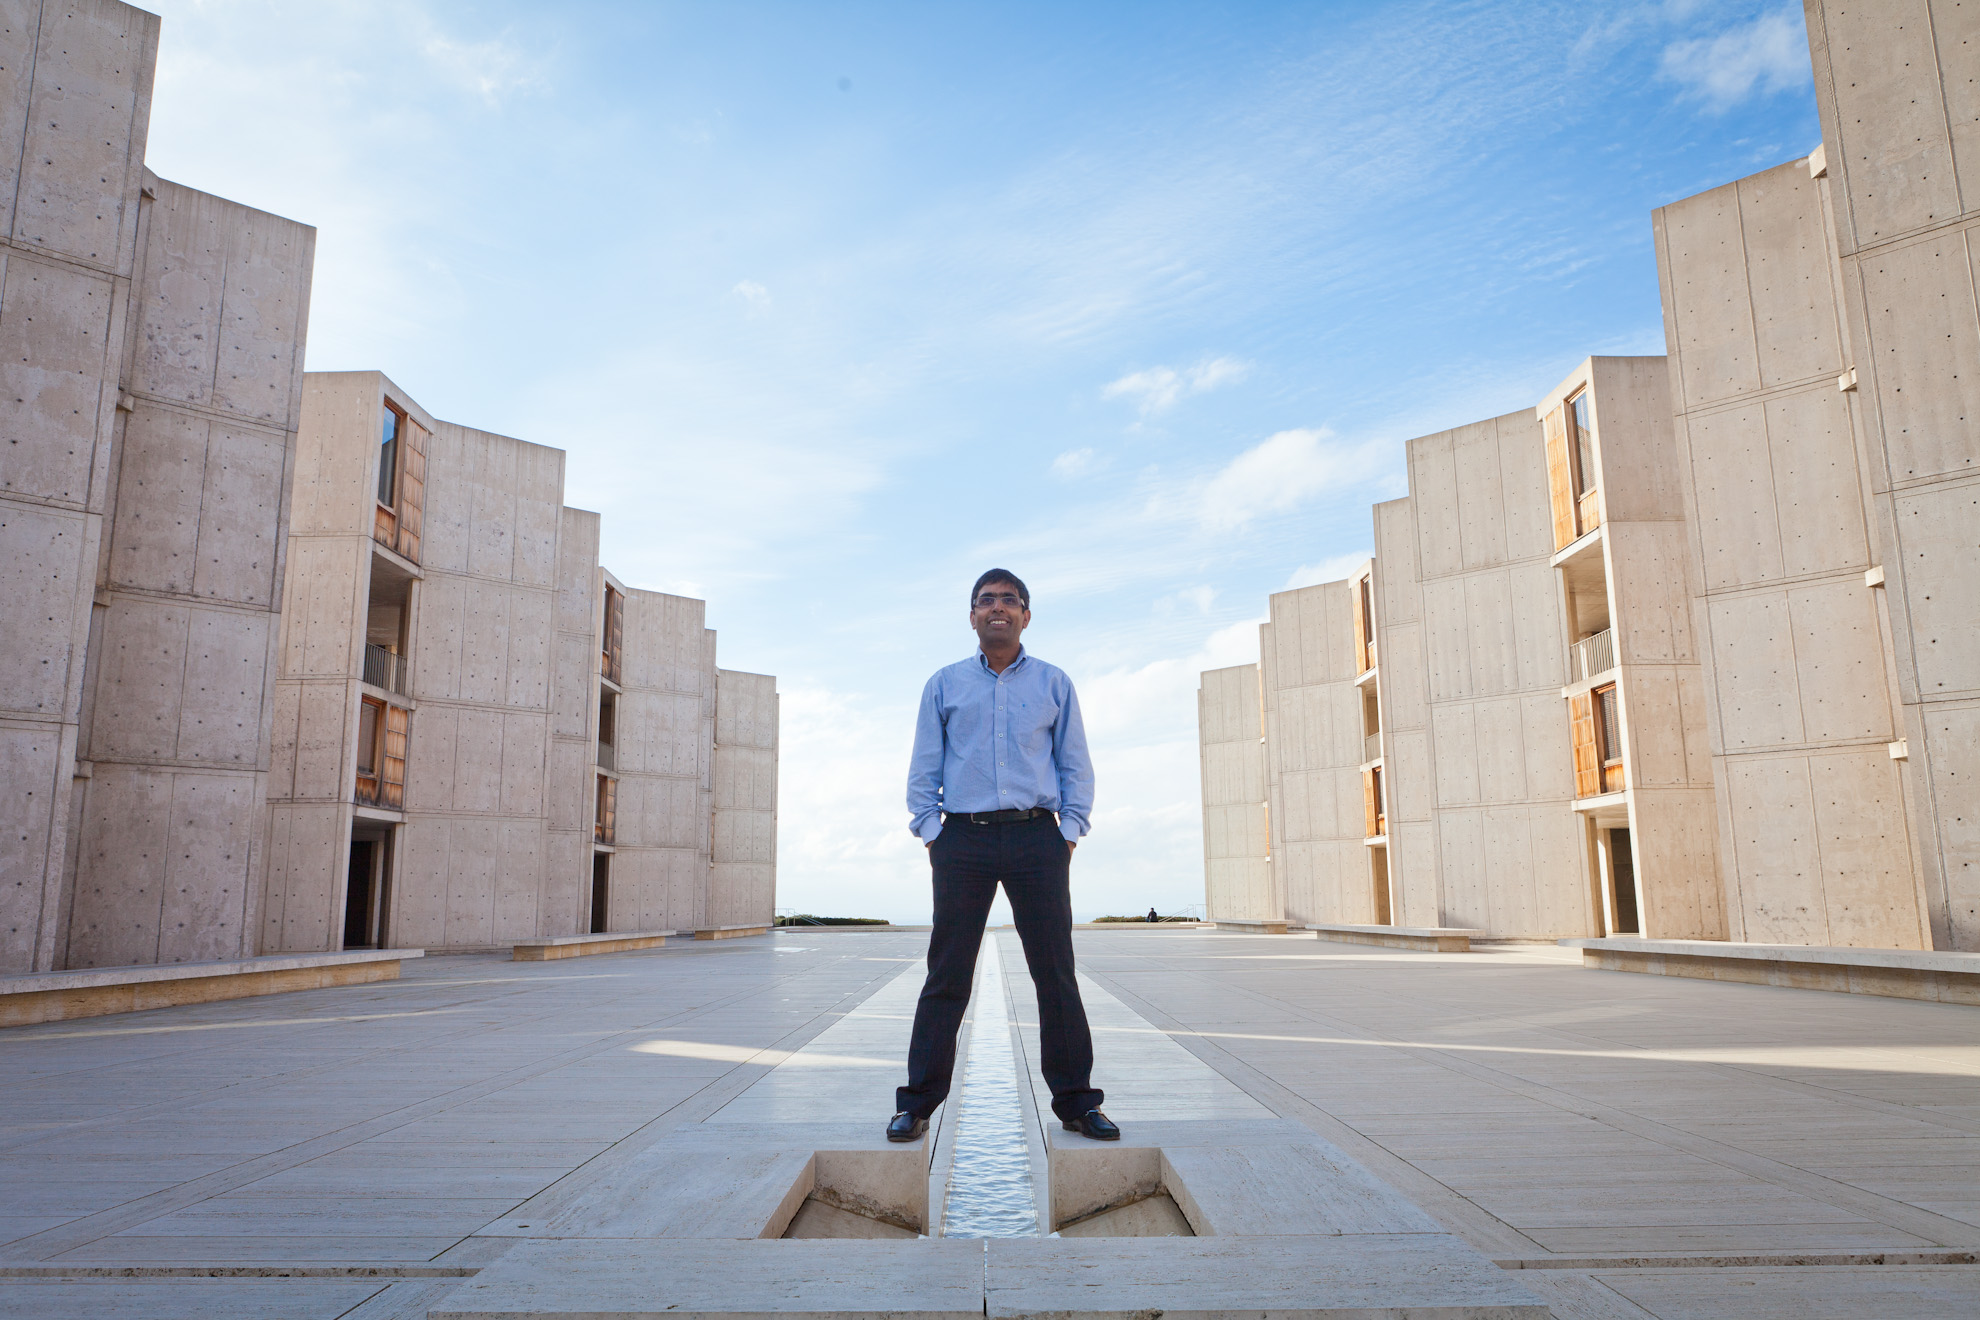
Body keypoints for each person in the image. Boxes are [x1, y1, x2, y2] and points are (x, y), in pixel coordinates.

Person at [889, 569, 1117, 1143]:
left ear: (1025, 615)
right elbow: (924, 766)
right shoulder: (943, 684)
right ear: (971, 616)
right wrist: (931, 831)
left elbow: (1074, 763)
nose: (998, 608)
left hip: (1037, 838)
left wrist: (1068, 832)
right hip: (961, 840)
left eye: (1009, 601)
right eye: (986, 601)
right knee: (947, 973)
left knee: (1054, 972)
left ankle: (1077, 1102)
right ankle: (916, 1103)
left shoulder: (1053, 682)